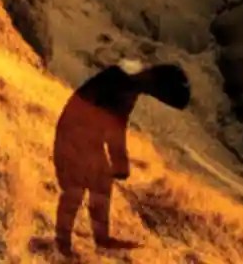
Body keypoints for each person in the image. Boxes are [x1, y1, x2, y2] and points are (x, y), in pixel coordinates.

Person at [52, 61, 191, 256]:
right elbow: (114, 126)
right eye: (159, 93)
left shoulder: (132, 81)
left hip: (88, 134)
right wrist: (119, 160)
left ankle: (101, 238)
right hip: (75, 131)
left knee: (101, 183)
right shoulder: (125, 81)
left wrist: (118, 160)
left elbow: (116, 124)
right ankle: (63, 242)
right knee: (76, 188)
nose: (155, 96)